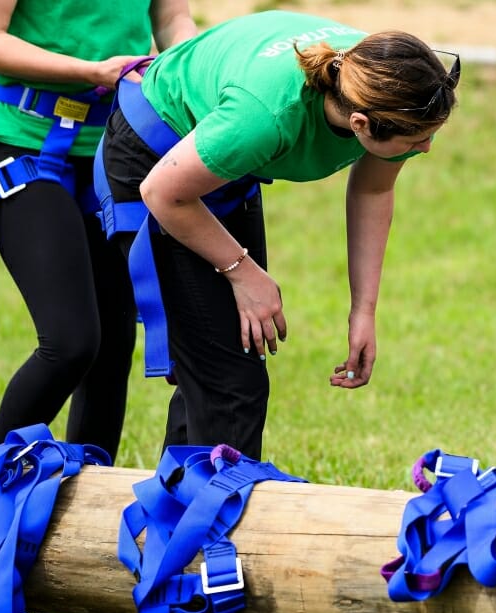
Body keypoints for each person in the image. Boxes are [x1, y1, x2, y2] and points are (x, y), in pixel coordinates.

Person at [96, 11, 460, 458]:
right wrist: (243, 273)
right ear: (361, 125)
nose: (425, 148)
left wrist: (363, 311)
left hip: (219, 159)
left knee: (224, 366)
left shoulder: (384, 80)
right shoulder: (266, 116)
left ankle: (178, 515)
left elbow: (373, 188)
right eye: (415, 141)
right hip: (155, 160)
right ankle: (213, 519)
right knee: (231, 384)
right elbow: (162, 193)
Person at [0, 0, 197, 461]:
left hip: (117, 149)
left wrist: (187, 71)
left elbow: (172, 21)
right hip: (23, 138)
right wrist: (89, 70)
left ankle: (87, 490)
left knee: (112, 348)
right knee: (71, 343)